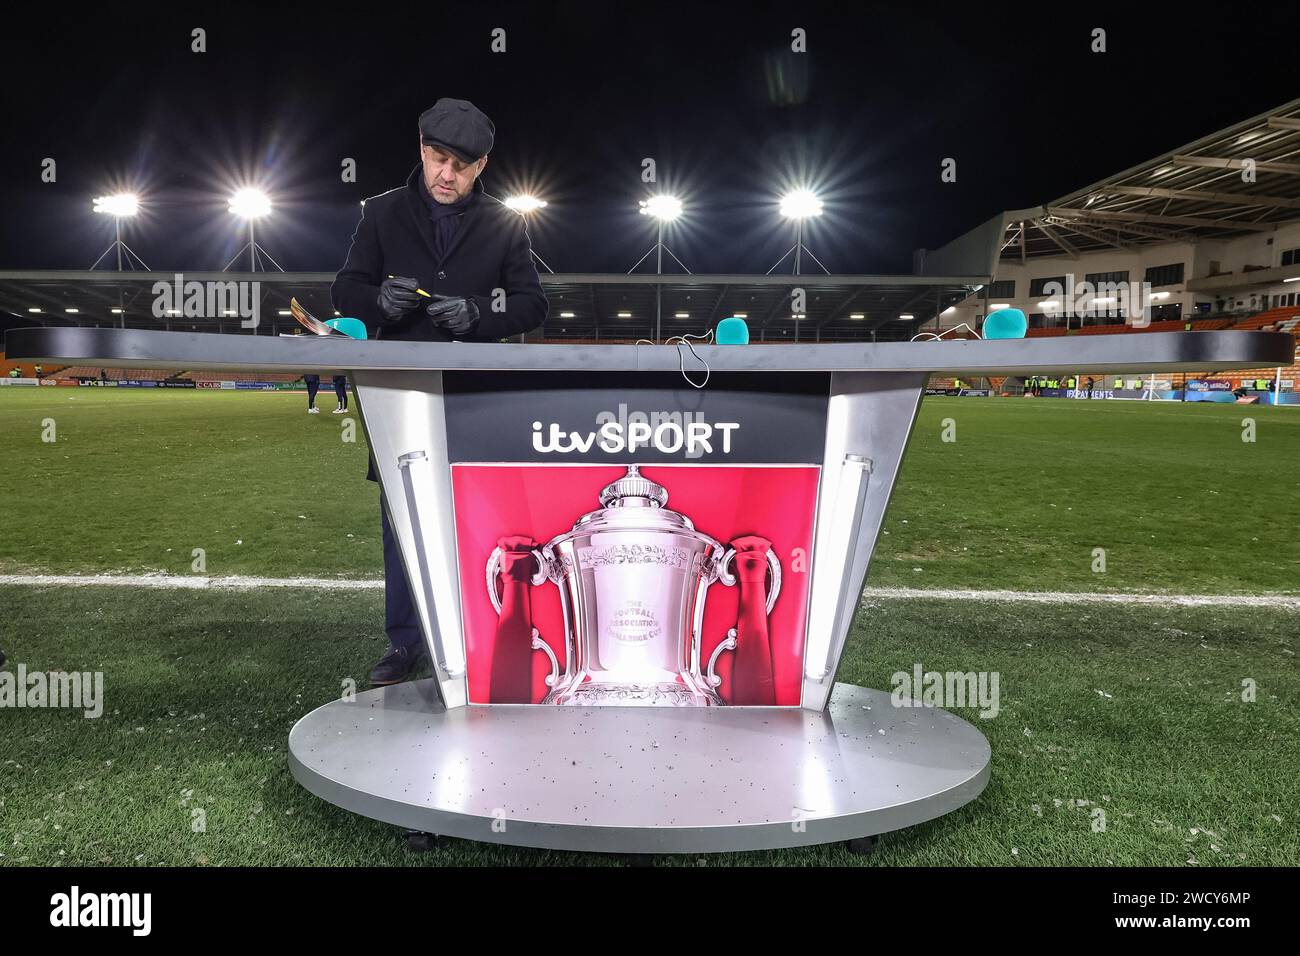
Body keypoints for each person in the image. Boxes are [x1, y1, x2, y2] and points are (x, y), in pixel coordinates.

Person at [332, 97, 548, 686]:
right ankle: (405, 645)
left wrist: (479, 313)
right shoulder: (380, 214)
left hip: (474, 399)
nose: (445, 175)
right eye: (436, 158)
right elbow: (345, 288)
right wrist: (377, 300)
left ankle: (480, 634)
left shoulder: (506, 222)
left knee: (481, 519)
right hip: (398, 396)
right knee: (402, 522)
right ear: (421, 151)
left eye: (460, 165)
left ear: (482, 167)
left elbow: (532, 304)